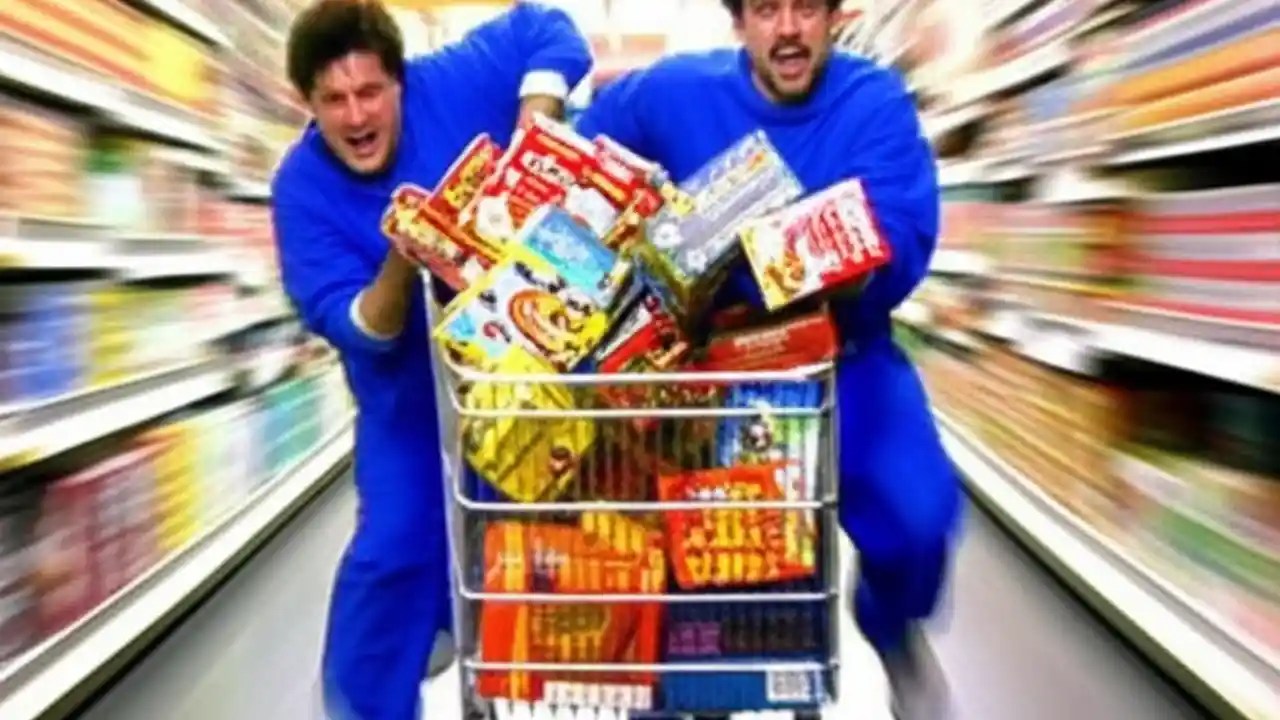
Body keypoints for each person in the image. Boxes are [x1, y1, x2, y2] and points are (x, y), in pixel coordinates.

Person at [574, 1, 960, 717]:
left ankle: (888, 619)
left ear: (836, 16)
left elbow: (903, 236)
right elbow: (578, 155)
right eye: (765, 9)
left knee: (920, 520)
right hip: (708, 372)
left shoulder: (872, 101)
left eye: (806, 6)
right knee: (709, 568)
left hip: (844, 360)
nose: (787, 28)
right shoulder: (674, 91)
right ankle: (700, 682)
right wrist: (638, 226)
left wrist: (827, 259)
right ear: (740, 22)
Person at [270, 2, 591, 718]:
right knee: (391, 556)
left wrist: (534, 131)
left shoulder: (455, 80)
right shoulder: (300, 191)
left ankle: (468, 633)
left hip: (526, 391)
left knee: (559, 558)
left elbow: (547, 28)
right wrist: (405, 251)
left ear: (401, 82)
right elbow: (355, 327)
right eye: (334, 100)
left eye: (370, 92)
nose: (356, 116)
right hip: (409, 411)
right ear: (309, 104)